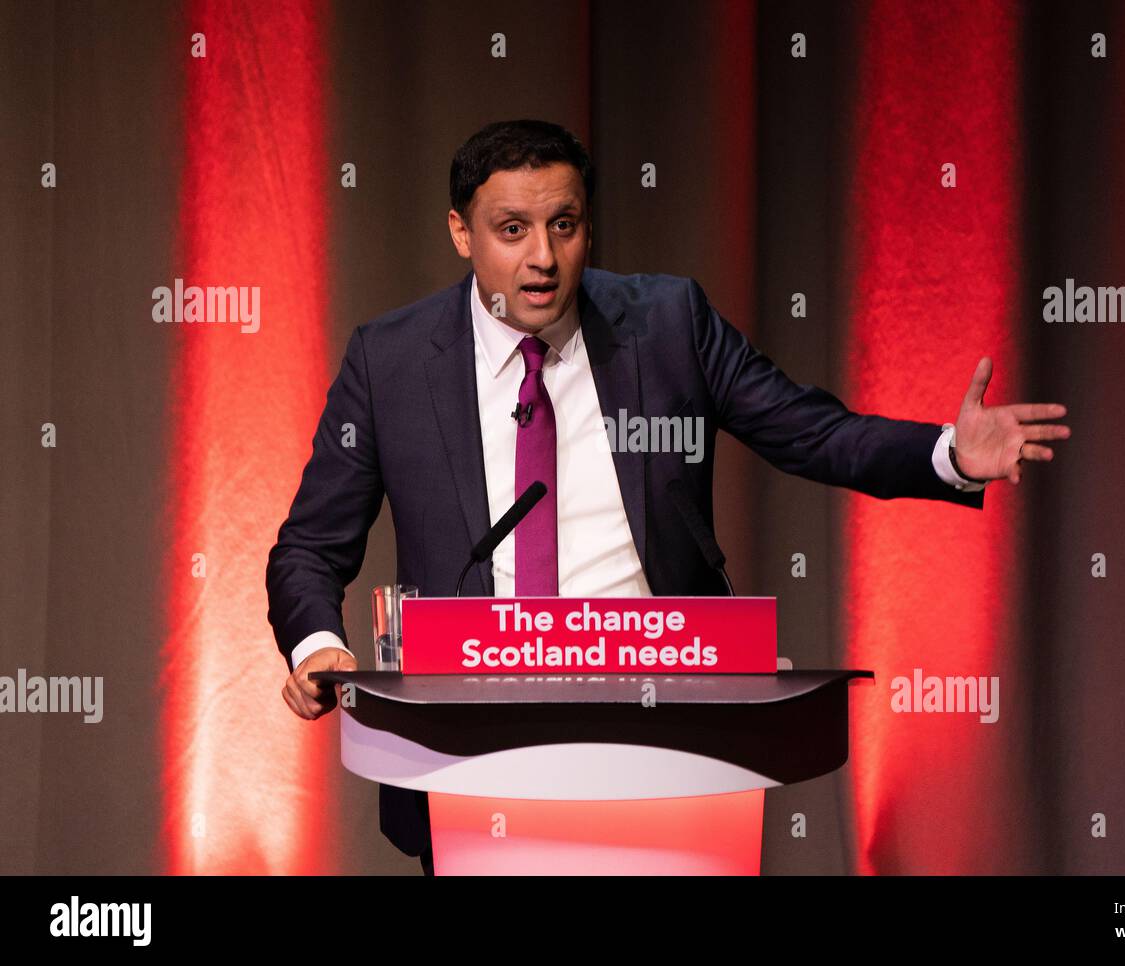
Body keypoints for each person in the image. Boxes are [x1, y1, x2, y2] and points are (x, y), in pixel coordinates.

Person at [266, 119, 1070, 874]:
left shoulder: (667, 324)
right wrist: (318, 650)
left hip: (663, 737)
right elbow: (309, 546)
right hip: (472, 749)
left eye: (566, 225)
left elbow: (811, 431)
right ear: (461, 234)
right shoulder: (392, 361)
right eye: (512, 230)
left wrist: (947, 453)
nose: (542, 258)